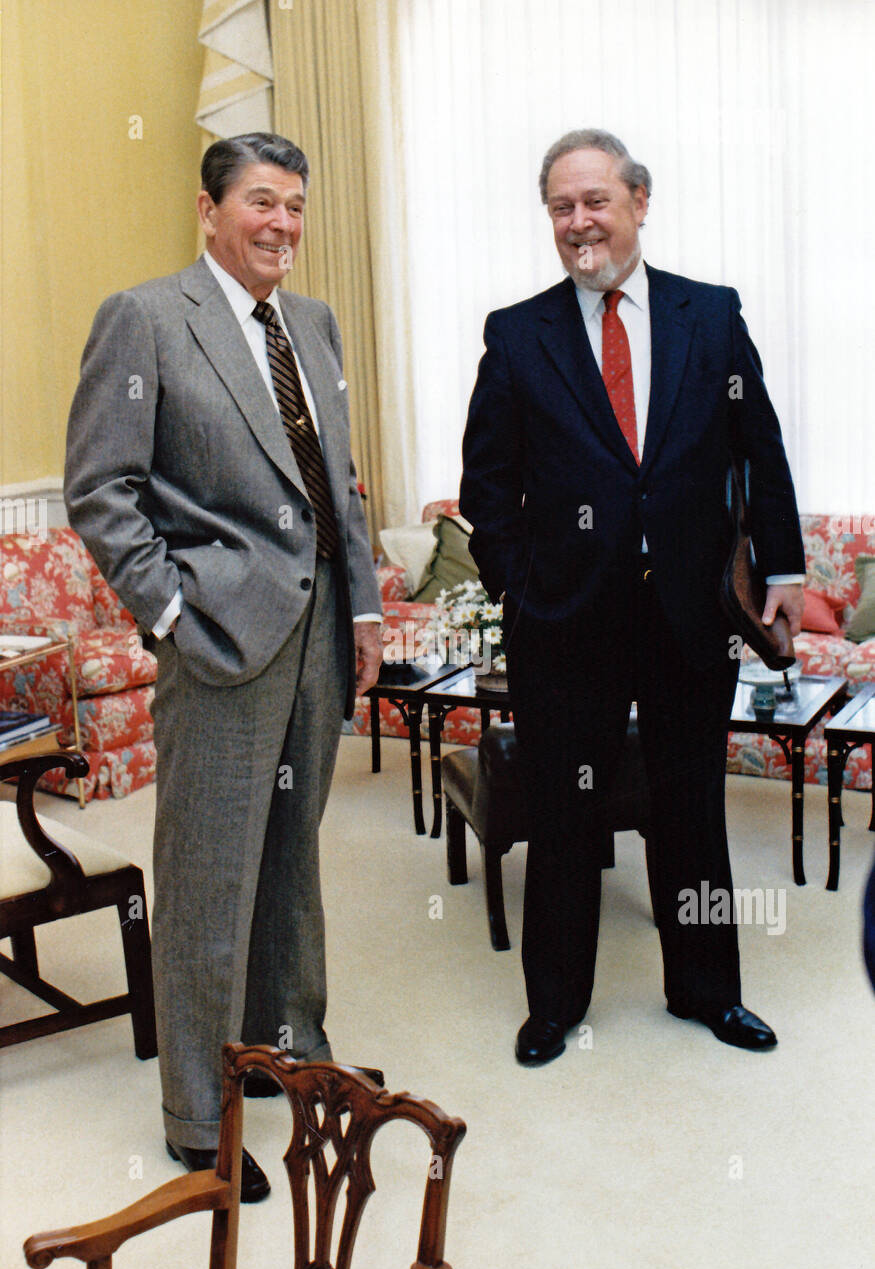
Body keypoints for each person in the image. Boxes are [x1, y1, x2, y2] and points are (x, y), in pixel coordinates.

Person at [65, 132, 383, 1196]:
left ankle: (287, 1047)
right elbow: (102, 490)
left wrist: (369, 612)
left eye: (295, 204)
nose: (282, 224)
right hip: (219, 641)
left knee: (290, 858)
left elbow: (336, 479)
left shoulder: (314, 323)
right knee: (208, 874)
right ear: (207, 210)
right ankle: (198, 1116)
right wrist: (169, 609)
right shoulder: (147, 319)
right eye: (260, 202)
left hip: (319, 640)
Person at [460, 129, 806, 1066]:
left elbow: (757, 447)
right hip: (564, 620)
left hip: (687, 611)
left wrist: (782, 571)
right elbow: (486, 486)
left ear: (638, 202)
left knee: (690, 803)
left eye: (595, 201)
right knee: (564, 812)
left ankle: (706, 992)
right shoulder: (516, 333)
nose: (579, 223)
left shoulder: (710, 314)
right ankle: (554, 1005)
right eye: (561, 208)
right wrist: (517, 590)